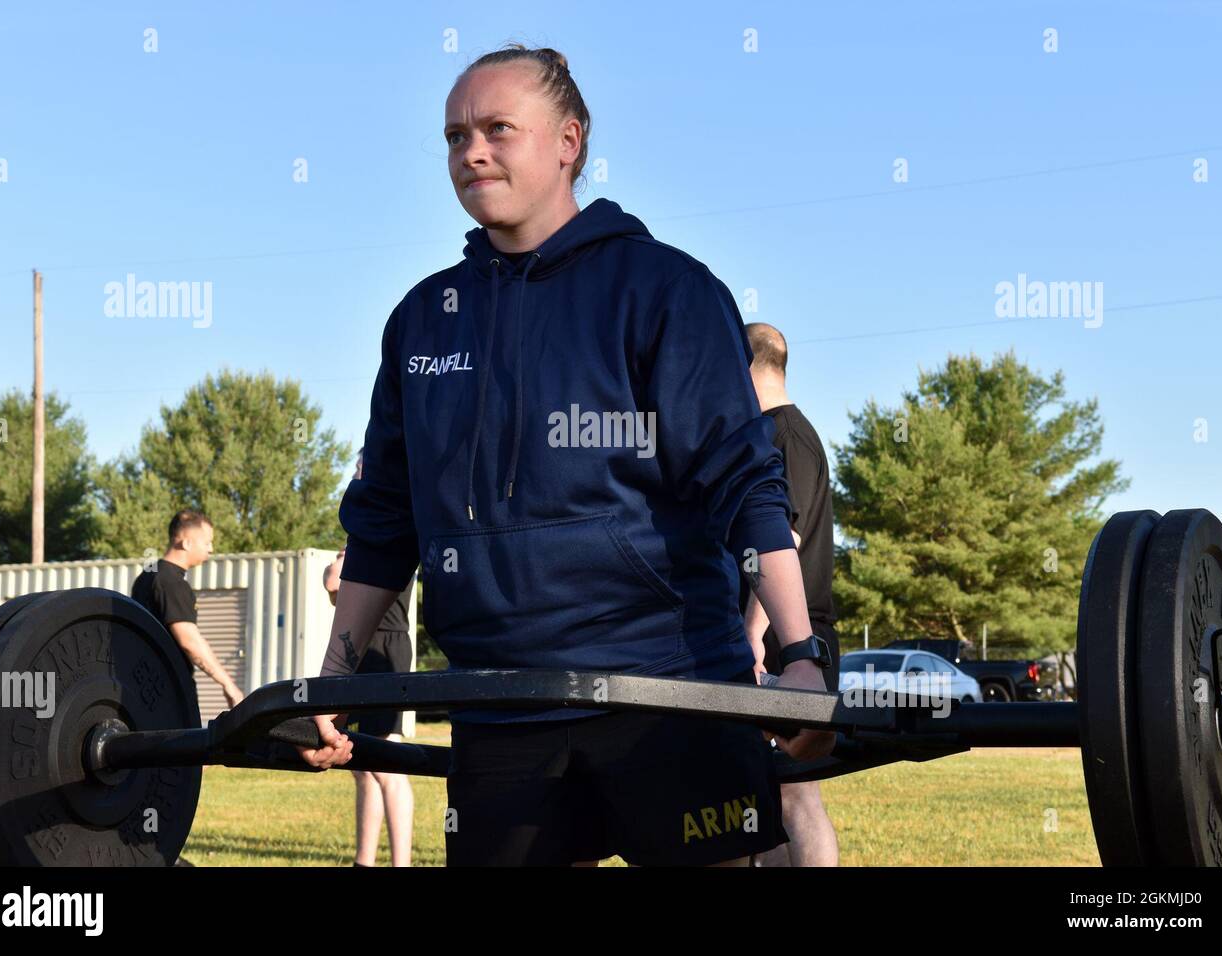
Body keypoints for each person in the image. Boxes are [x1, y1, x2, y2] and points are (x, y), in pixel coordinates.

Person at [301, 43, 836, 867]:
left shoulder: (665, 290)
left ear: (569, 141)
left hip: (670, 691)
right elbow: (384, 521)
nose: (470, 151)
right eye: (453, 135)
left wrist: (799, 658)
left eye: (497, 129)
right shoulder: (423, 320)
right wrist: (335, 679)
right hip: (499, 703)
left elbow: (744, 485)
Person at [740, 322, 841, 867]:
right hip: (777, 637)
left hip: (791, 638)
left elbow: (784, 540)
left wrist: (753, 634)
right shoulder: (774, 434)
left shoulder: (787, 437)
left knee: (798, 793)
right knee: (770, 792)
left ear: (748, 365)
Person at [323, 448, 416, 867]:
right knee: (361, 763)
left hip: (386, 647)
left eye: (363, 466)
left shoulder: (395, 519)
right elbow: (335, 588)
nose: (359, 473)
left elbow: (339, 581)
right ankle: (365, 860)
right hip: (360, 649)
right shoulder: (361, 529)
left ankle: (400, 862)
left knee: (388, 762)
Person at [131, 509, 243, 709]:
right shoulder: (171, 582)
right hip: (168, 692)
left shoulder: (147, 576)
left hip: (141, 689)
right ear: (186, 542)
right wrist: (228, 684)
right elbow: (189, 641)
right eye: (207, 542)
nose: (211, 549)